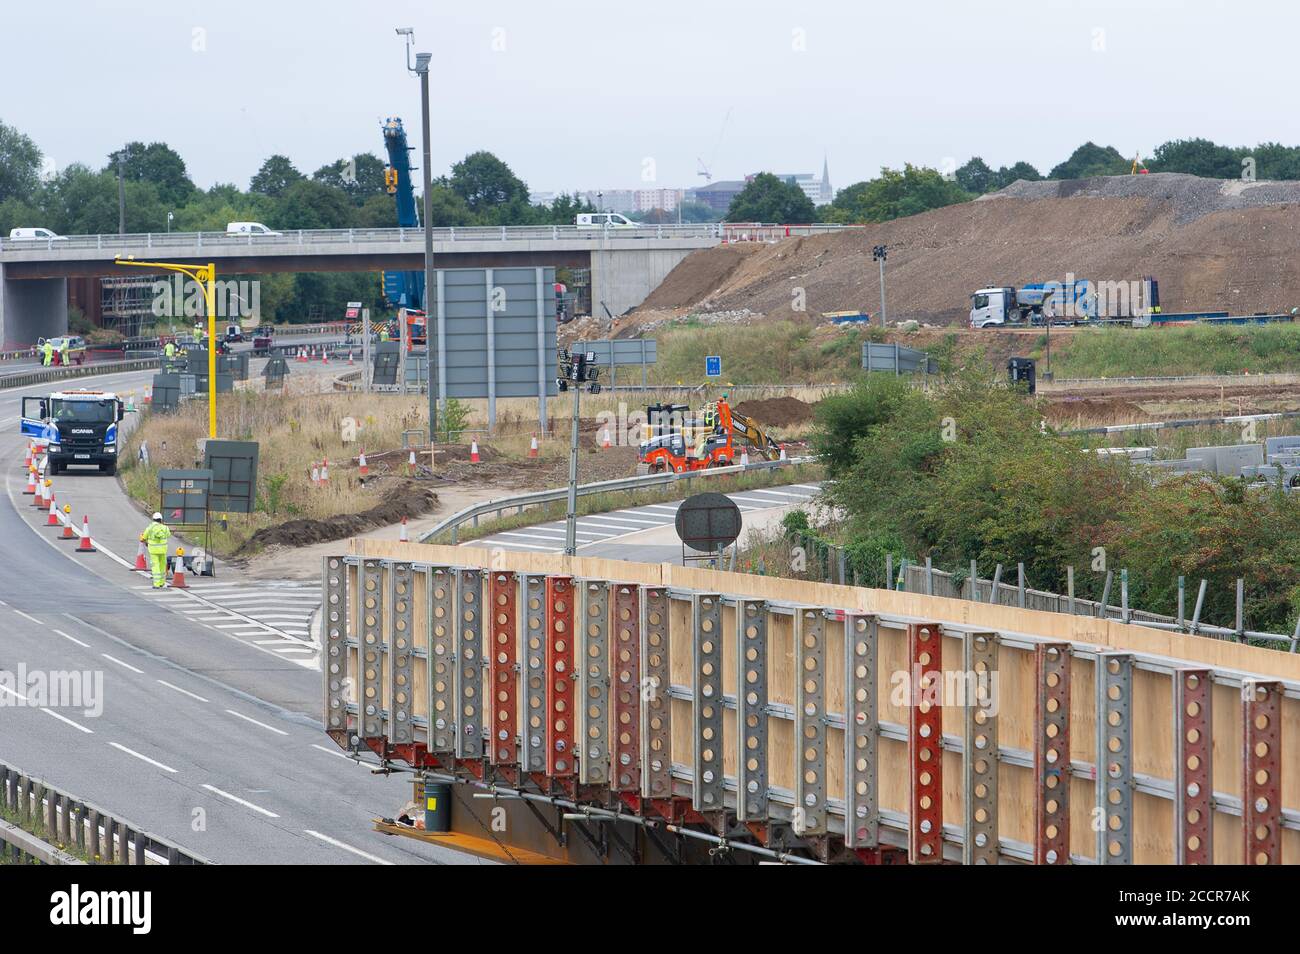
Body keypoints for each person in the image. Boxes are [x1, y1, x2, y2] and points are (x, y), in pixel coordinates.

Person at [140, 512, 171, 589]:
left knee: (155, 566)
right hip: (163, 550)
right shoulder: (165, 528)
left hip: (153, 551)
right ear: (161, 520)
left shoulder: (150, 528)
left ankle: (156, 584)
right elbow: (168, 535)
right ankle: (162, 582)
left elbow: (143, 537)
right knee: (162, 566)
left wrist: (146, 540)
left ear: (153, 519)